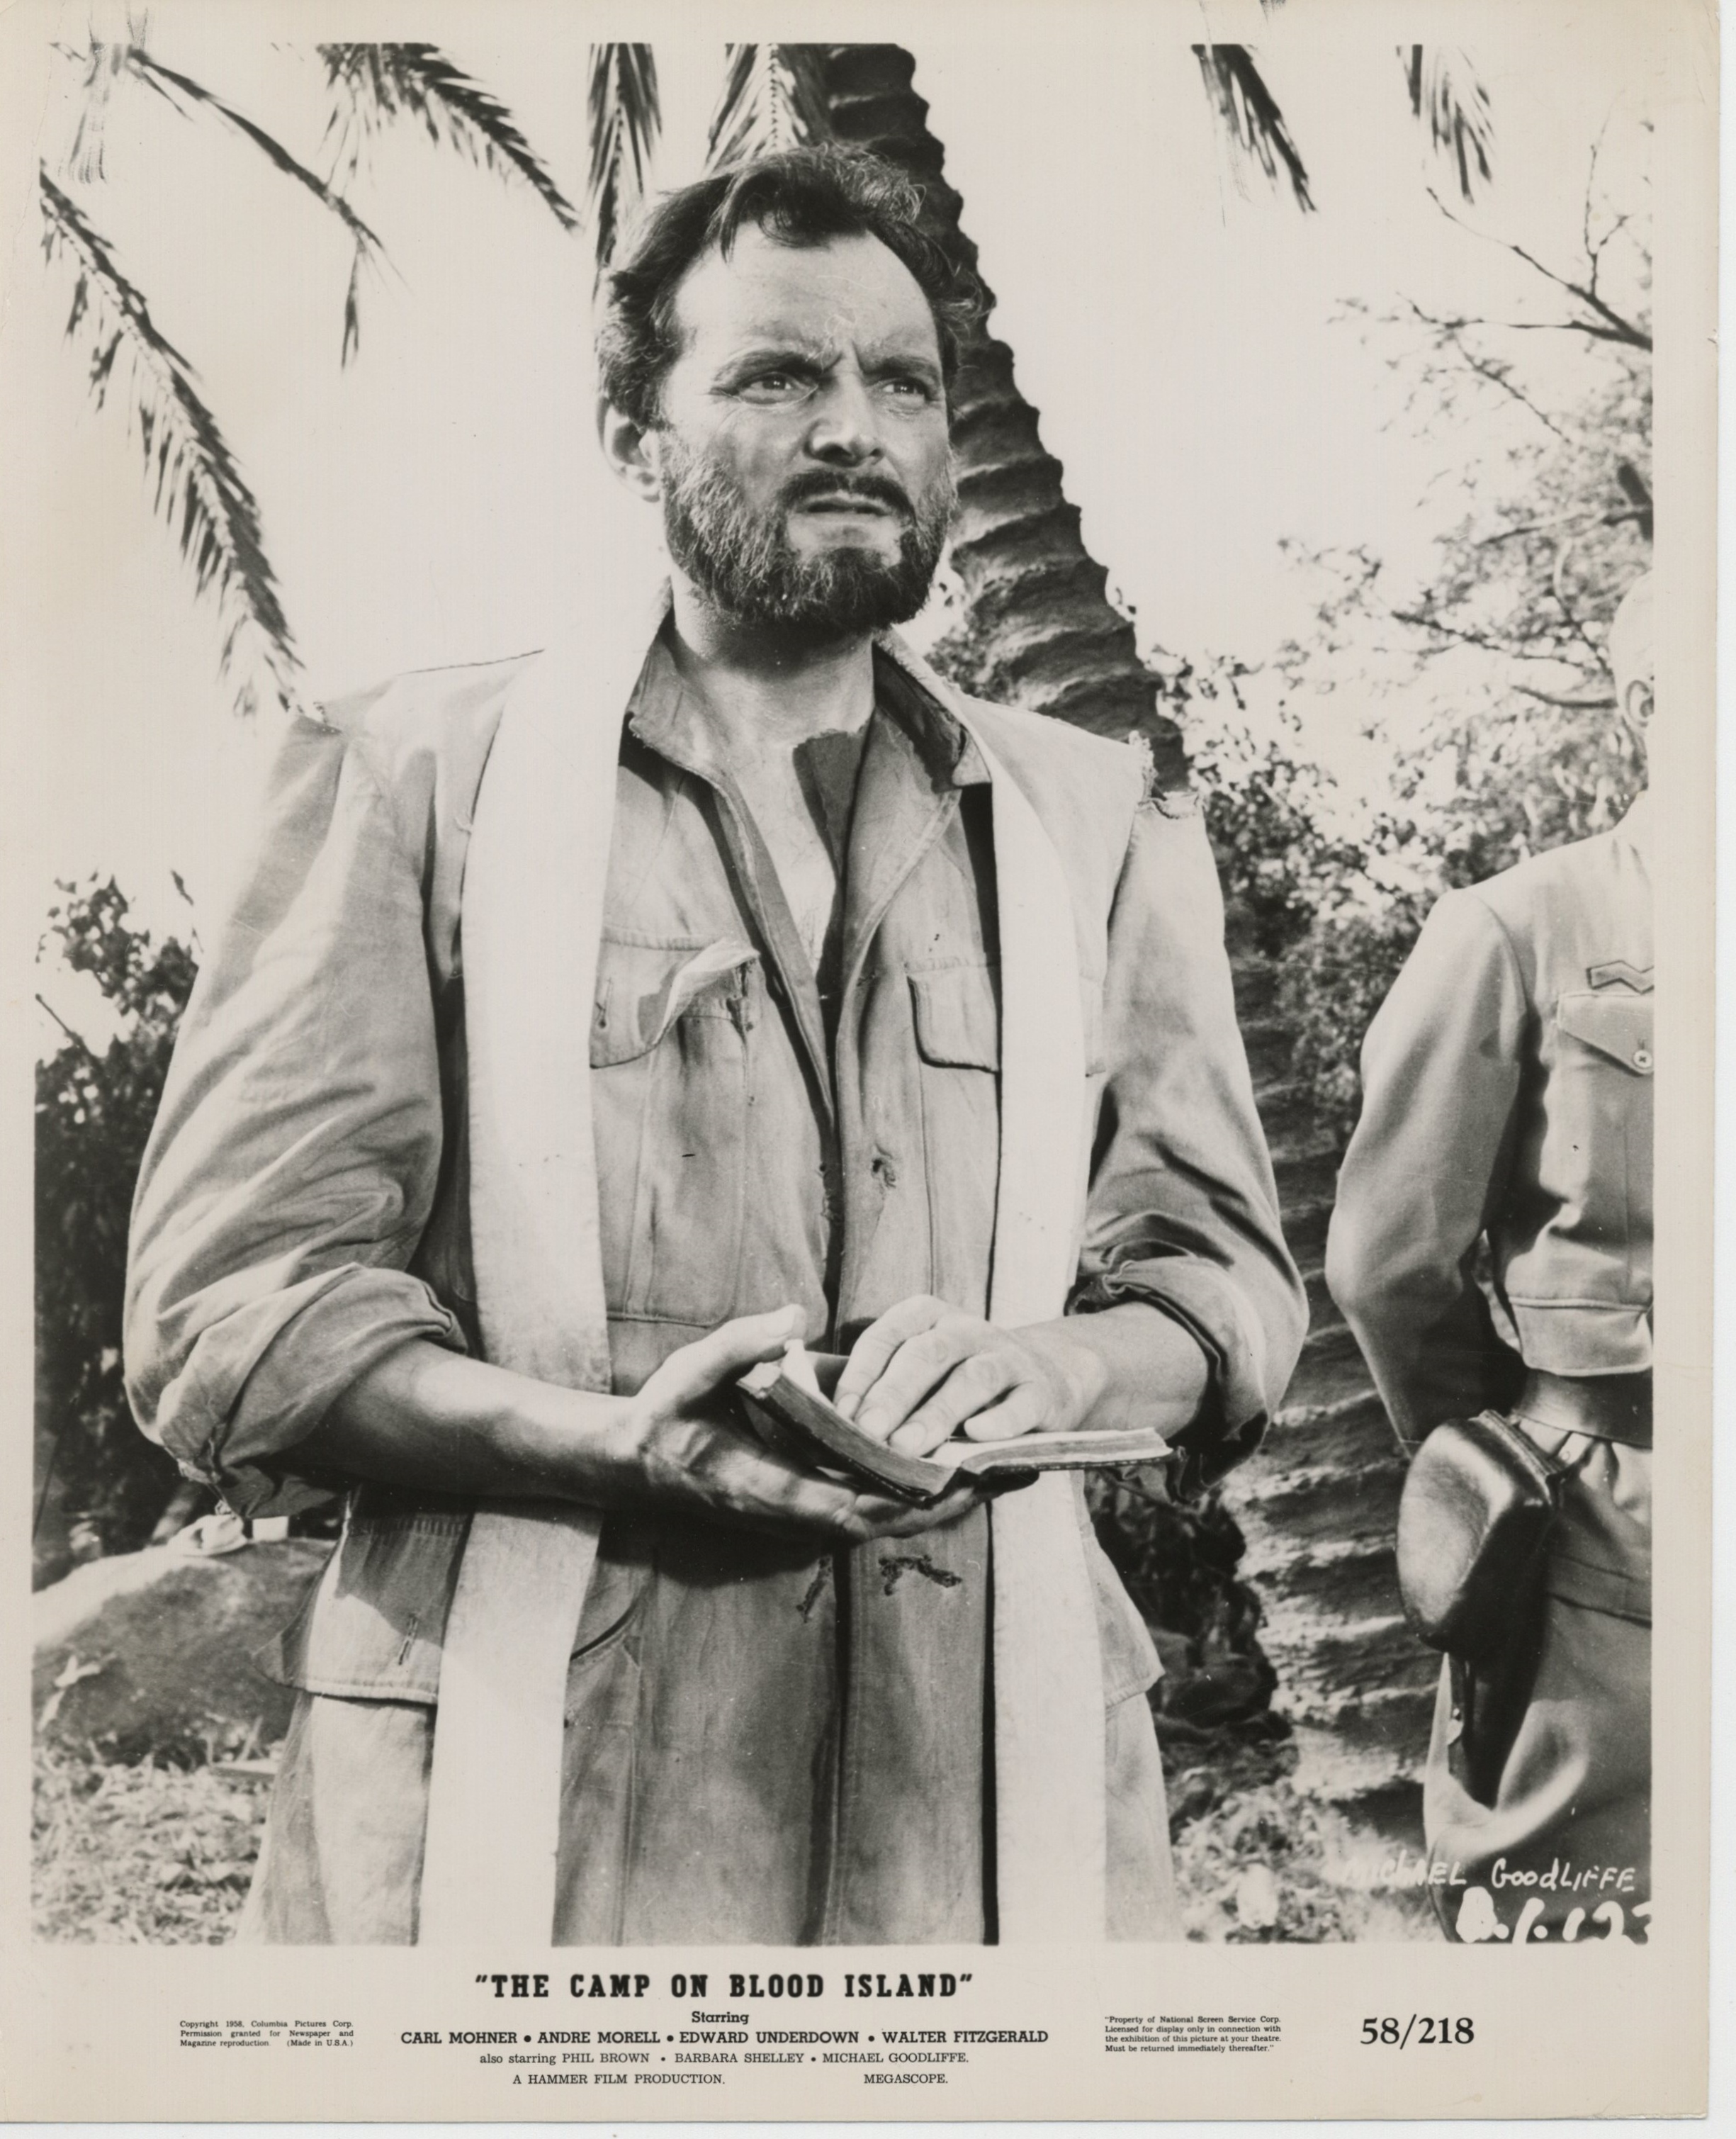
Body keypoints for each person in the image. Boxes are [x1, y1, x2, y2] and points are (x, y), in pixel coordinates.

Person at [125, 146, 1304, 1947]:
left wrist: (1055, 1376)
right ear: (633, 438)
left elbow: (1217, 1284)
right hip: (541, 1810)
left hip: (989, 1807)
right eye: (775, 374)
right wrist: (595, 1443)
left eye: (902, 381)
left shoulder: (1094, 822)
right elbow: (233, 1313)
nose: (856, 426)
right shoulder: (415, 778)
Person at [1326, 573, 1655, 1941]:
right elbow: (1390, 1263)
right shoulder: (1520, 929)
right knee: (1575, 1929)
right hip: (1607, 1535)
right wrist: (1498, 1462)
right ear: (1649, 710)